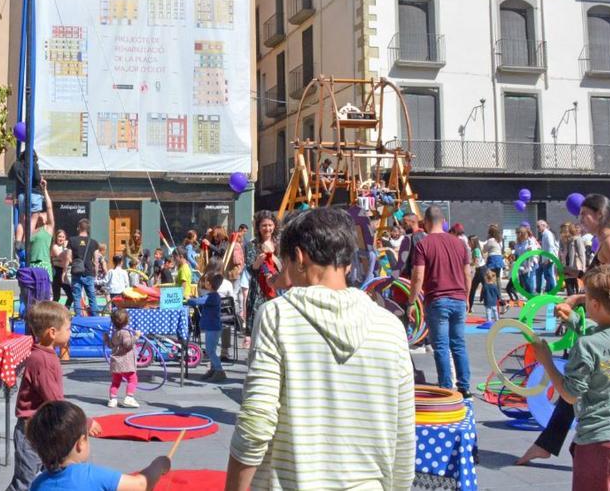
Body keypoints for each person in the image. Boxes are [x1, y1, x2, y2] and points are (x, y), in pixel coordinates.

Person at [226, 207, 414, 490]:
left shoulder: (277, 316)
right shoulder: (390, 327)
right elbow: (403, 437)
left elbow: (256, 423)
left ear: (298, 258)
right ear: (348, 263)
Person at [530, 264, 610, 489]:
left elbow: (569, 395)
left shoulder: (586, 346)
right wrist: (574, 321)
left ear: (595, 304)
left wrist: (546, 360)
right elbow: (606, 337)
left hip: (601, 442)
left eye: (587, 298)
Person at [7, 301, 102, 491]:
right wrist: (84, 421)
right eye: (68, 329)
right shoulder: (41, 360)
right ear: (52, 332)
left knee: (53, 474)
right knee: (25, 481)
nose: (70, 333)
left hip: (44, 428)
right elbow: (55, 401)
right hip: (31, 431)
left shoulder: (47, 355)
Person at [27, 400, 170, 491]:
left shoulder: (38, 484)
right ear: (81, 443)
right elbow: (141, 485)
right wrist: (159, 464)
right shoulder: (92, 476)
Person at [409, 205, 472, 396]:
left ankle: (446, 386)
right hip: (459, 298)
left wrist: (411, 302)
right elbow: (467, 273)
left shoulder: (423, 244)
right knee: (458, 343)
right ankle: (464, 385)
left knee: (442, 346)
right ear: (444, 222)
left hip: (437, 299)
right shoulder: (460, 243)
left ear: (426, 223)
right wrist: (467, 297)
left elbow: (418, 276)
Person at [191, 272, 225, 382]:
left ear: (209, 284)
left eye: (206, 281)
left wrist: (189, 300)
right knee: (211, 350)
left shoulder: (213, 297)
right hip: (212, 328)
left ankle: (219, 370)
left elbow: (199, 301)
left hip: (213, 328)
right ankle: (214, 369)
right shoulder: (212, 296)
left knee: (210, 350)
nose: (204, 282)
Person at [104, 308, 140, 408]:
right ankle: (129, 397)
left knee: (115, 382)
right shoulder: (125, 332)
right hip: (126, 362)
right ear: (127, 321)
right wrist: (136, 336)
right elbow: (128, 344)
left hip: (116, 363)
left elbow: (111, 345)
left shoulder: (116, 332)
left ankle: (112, 399)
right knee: (133, 379)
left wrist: (106, 339)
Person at [67, 220, 101, 317]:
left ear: (78, 227)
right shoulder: (94, 242)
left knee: (77, 297)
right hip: (89, 272)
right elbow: (96, 260)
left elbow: (68, 257)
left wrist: (73, 264)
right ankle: (95, 319)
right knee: (92, 297)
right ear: (88, 229)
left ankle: (78, 318)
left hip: (76, 272)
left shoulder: (72, 240)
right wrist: (96, 273)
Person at [537, 219, 559, 294]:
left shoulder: (548, 234)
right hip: (545, 258)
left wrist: (549, 258)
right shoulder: (544, 234)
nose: (538, 228)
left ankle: (553, 291)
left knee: (549, 275)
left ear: (544, 226)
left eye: (538, 226)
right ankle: (550, 291)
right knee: (547, 276)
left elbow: (550, 246)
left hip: (549, 259)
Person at [50, 229, 71, 304]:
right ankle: (52, 313)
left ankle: (65, 311)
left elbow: (70, 260)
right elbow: (61, 256)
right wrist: (66, 248)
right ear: (56, 237)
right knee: (56, 296)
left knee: (71, 295)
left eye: (63, 237)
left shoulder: (66, 249)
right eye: (59, 236)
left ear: (65, 238)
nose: (61, 238)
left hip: (64, 271)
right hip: (56, 272)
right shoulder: (54, 247)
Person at [467, 235, 485, 312]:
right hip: (479, 270)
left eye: (469, 241)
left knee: (487, 288)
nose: (468, 243)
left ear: (473, 242)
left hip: (481, 270)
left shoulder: (476, 250)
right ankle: (470, 307)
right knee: (473, 289)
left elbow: (476, 261)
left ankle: (500, 303)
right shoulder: (475, 250)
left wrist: (467, 264)